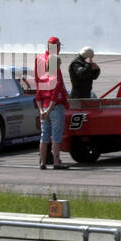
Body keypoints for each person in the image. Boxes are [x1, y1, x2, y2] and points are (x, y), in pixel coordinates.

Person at [35, 36, 69, 169]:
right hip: (53, 106)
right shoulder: (54, 67)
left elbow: (38, 92)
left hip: (43, 106)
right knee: (56, 136)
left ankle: (42, 162)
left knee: (44, 136)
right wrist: (49, 109)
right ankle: (56, 161)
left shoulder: (40, 62)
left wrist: (41, 111)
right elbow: (55, 93)